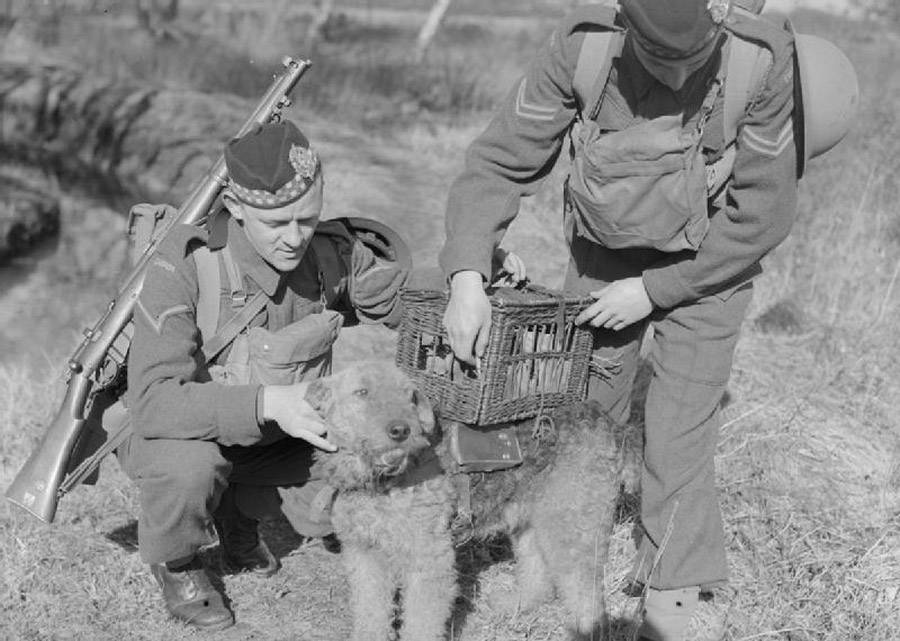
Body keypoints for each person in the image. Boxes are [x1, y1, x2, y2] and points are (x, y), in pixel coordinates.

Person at [439, 1, 798, 639]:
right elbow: (496, 163)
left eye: (693, 57)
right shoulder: (584, 48)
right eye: (659, 57)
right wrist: (467, 275)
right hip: (606, 245)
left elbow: (762, 215)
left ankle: (672, 586)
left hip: (711, 259)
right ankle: (558, 543)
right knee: (582, 409)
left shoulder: (759, 61)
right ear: (627, 28)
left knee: (680, 422)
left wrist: (659, 289)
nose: (677, 77)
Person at [123, 120, 407, 630]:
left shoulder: (327, 253)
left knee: (366, 459)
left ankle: (240, 516)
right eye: (276, 224)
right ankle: (179, 560)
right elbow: (154, 402)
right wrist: (268, 403)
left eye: (307, 217)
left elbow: (394, 293)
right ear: (234, 208)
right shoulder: (184, 266)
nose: (294, 238)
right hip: (181, 432)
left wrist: (469, 280)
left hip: (277, 433)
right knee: (188, 469)